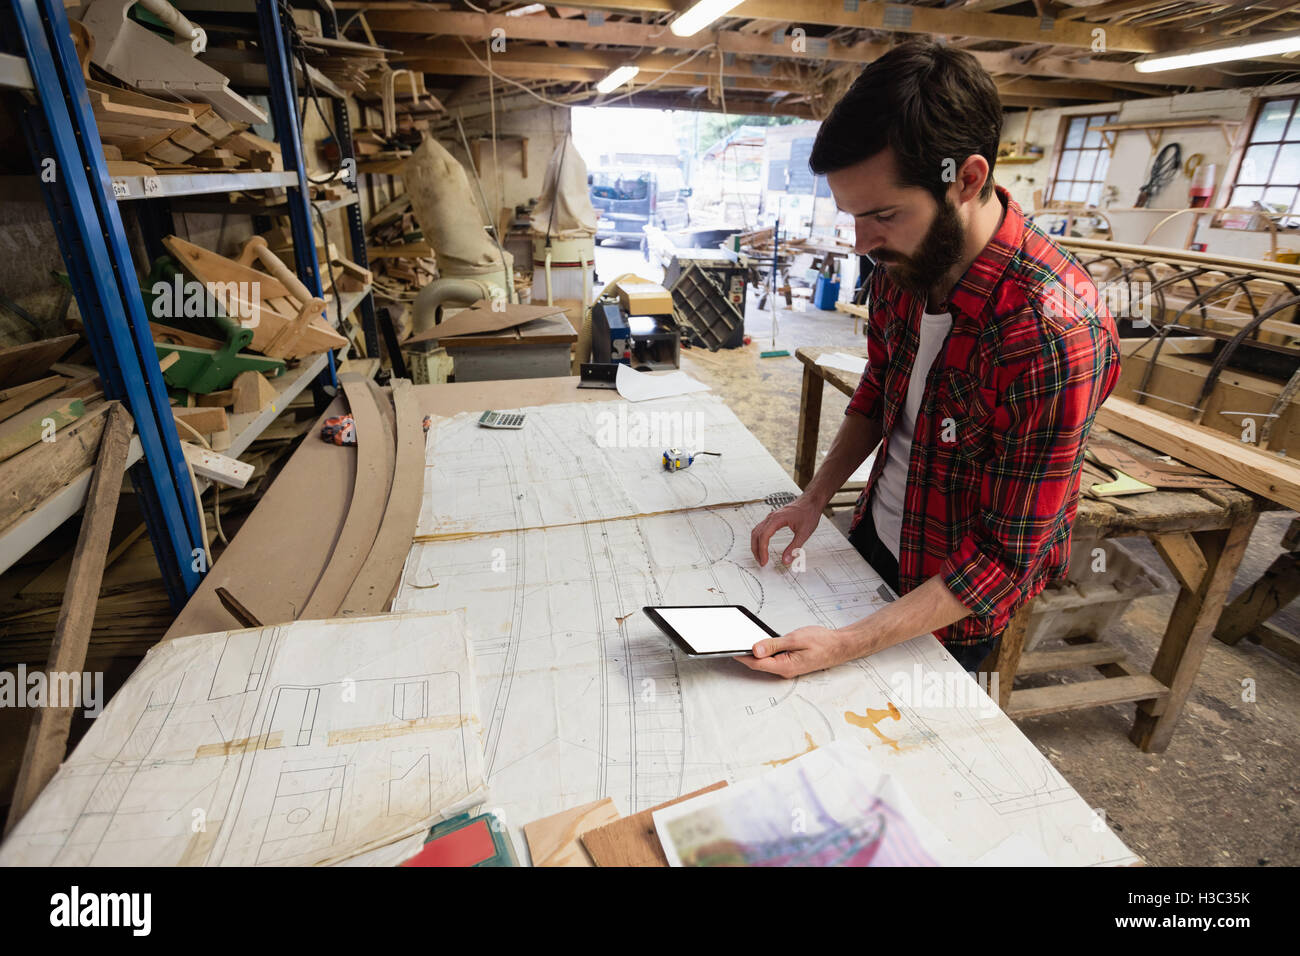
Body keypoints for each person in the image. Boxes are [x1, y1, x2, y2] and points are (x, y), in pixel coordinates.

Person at [746, 38, 1120, 679]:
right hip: (875, 540)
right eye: (853, 216)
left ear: (966, 180)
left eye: (884, 213)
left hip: (952, 604)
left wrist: (845, 644)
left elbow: (1008, 556)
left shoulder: (1053, 334)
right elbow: (881, 388)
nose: (864, 243)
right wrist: (816, 497)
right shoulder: (905, 262)